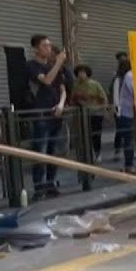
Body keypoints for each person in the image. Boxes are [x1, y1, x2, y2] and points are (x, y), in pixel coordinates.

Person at [26, 34, 68, 197]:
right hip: (41, 113)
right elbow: (47, 81)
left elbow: (63, 89)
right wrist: (58, 62)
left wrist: (61, 104)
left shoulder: (54, 66)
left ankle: (51, 183)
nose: (48, 49)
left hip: (56, 113)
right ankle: (39, 187)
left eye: (49, 45)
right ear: (35, 49)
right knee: (40, 150)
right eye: (44, 46)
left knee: (53, 150)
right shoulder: (31, 66)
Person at [70, 65, 108, 162]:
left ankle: (97, 153)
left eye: (83, 72)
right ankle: (87, 155)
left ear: (87, 73)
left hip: (96, 114)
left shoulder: (95, 84)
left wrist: (104, 111)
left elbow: (103, 98)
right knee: (84, 136)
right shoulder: (76, 86)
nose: (81, 74)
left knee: (96, 135)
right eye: (79, 72)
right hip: (82, 115)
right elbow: (72, 100)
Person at [114, 60, 136, 173]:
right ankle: (129, 166)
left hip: (131, 114)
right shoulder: (130, 75)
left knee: (131, 140)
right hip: (128, 114)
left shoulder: (133, 74)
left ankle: (132, 165)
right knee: (129, 141)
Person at [112, 53, 129, 158]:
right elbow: (115, 95)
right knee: (120, 131)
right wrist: (117, 111)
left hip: (128, 111)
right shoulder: (118, 79)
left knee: (127, 134)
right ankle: (117, 149)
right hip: (121, 111)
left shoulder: (130, 77)